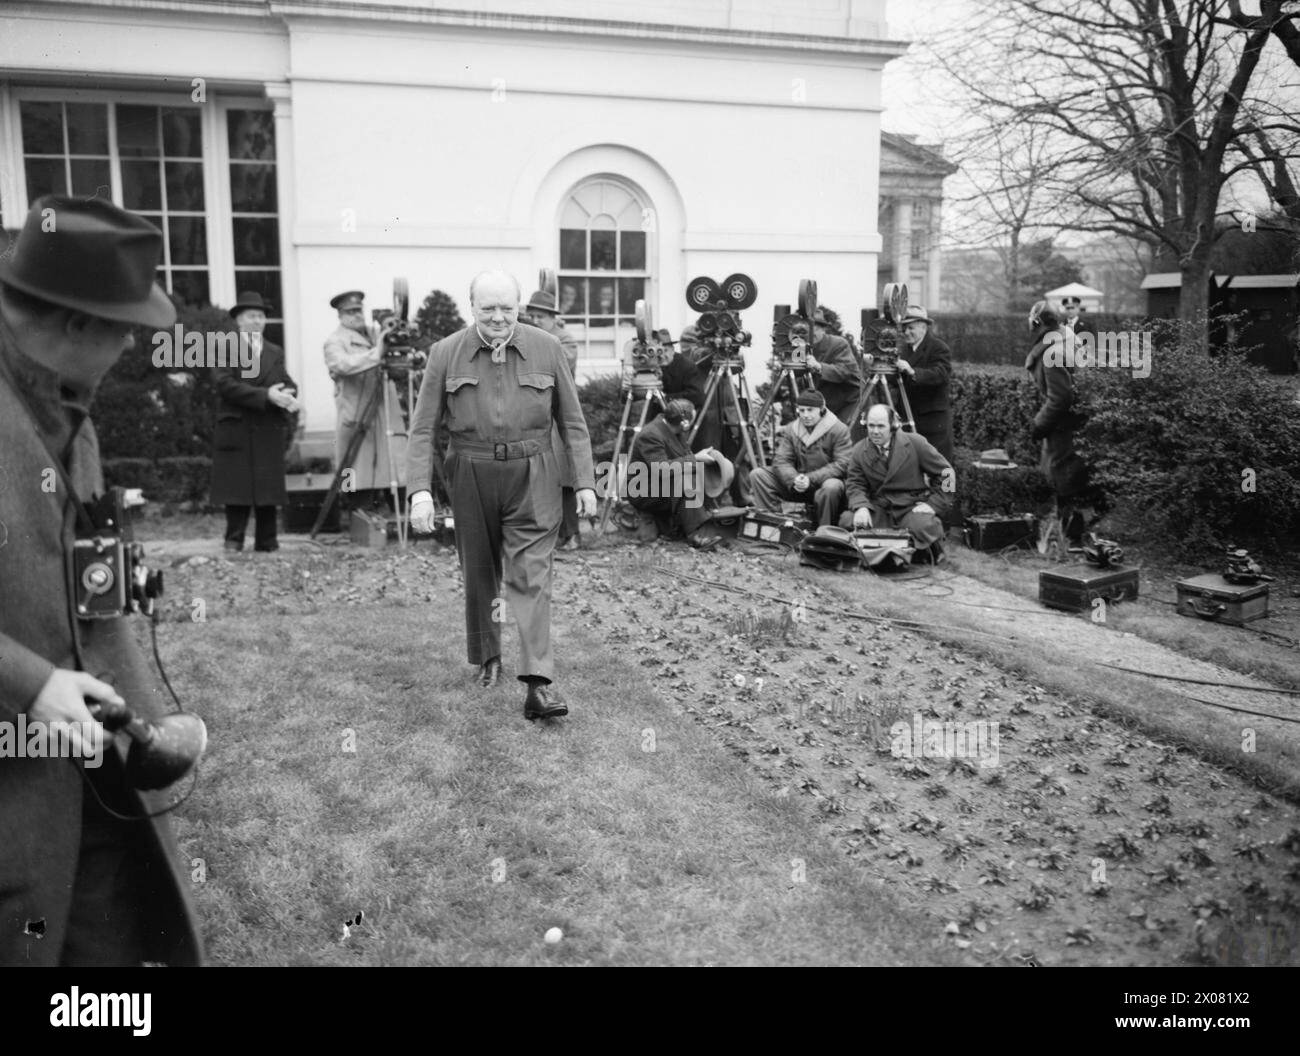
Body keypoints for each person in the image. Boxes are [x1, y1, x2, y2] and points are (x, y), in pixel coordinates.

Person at [0, 195, 202, 966]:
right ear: (77, 321)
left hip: (94, 780)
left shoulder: (64, 395)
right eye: (124, 328)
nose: (129, 347)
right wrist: (26, 682)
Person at [407, 270, 596, 721]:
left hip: (535, 473)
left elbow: (572, 421)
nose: (497, 317)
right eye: (488, 308)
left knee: (532, 575)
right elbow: (422, 429)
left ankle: (537, 684)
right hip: (469, 472)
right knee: (479, 570)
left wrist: (586, 480)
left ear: (519, 308)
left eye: (506, 308)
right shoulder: (445, 353)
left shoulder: (547, 349)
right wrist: (420, 492)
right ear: (471, 306)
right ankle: (487, 655)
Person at [210, 291, 300, 552]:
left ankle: (268, 541)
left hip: (266, 426)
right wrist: (266, 395)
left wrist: (289, 395)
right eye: (251, 316)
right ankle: (234, 539)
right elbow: (224, 384)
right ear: (238, 320)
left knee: (267, 486)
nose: (257, 321)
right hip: (237, 424)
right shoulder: (224, 346)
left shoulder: (274, 351)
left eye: (261, 317)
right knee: (236, 487)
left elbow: (287, 381)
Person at [322, 290, 408, 509]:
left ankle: (398, 513)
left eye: (359, 310)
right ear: (340, 314)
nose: (356, 315)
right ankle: (356, 514)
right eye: (350, 311)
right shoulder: (334, 341)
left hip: (383, 410)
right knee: (354, 468)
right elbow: (342, 365)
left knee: (392, 463)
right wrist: (376, 353)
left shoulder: (373, 333)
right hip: (356, 413)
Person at [839, 403, 952, 561]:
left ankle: (927, 549)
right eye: (871, 426)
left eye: (881, 426)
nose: (875, 431)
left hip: (909, 508)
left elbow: (947, 473)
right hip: (879, 507)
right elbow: (854, 483)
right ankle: (894, 549)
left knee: (924, 525)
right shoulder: (859, 450)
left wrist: (934, 504)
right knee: (848, 520)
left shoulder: (915, 443)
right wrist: (861, 507)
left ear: (892, 426)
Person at [1026, 300, 1093, 549]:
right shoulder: (1068, 338)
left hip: (1066, 425)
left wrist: (1038, 424)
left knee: (1064, 480)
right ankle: (1072, 535)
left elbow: (1060, 398)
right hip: (1079, 420)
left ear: (1038, 324)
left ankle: (1072, 539)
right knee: (1070, 478)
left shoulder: (1052, 351)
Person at [520, 287, 582, 548]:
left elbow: (558, 366)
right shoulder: (529, 338)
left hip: (557, 414)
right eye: (531, 316)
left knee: (563, 477)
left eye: (541, 317)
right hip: (531, 413)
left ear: (554, 318)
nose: (535, 321)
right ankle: (551, 534)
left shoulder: (563, 339)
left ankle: (573, 534)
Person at [625, 398, 723, 550]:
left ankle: (700, 522)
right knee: (683, 480)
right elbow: (662, 469)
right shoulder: (651, 435)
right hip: (643, 490)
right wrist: (695, 458)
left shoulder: (673, 431)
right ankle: (696, 533)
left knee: (690, 475)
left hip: (661, 484)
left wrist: (699, 460)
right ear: (684, 422)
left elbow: (682, 459)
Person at [748, 390, 851, 526]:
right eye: (801, 410)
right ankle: (772, 525)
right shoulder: (792, 429)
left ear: (821, 410)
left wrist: (811, 479)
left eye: (810, 410)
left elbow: (842, 464)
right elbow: (781, 460)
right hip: (798, 483)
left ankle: (824, 531)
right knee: (759, 475)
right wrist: (794, 478)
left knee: (832, 486)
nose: (805, 415)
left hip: (824, 485)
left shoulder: (839, 429)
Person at [893, 304, 953, 462]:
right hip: (908, 416)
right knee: (912, 465)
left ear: (923, 327)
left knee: (941, 464)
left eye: (910, 328)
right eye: (904, 328)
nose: (906, 332)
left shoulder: (939, 348)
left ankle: (949, 488)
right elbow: (895, 381)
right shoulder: (903, 350)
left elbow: (940, 375)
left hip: (932, 420)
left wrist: (912, 371)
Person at [808, 309, 862, 426]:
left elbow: (844, 371)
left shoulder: (838, 344)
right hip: (825, 406)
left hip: (849, 402)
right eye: (807, 330)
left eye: (815, 329)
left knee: (842, 437)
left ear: (823, 329)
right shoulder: (801, 350)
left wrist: (818, 366)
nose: (812, 333)